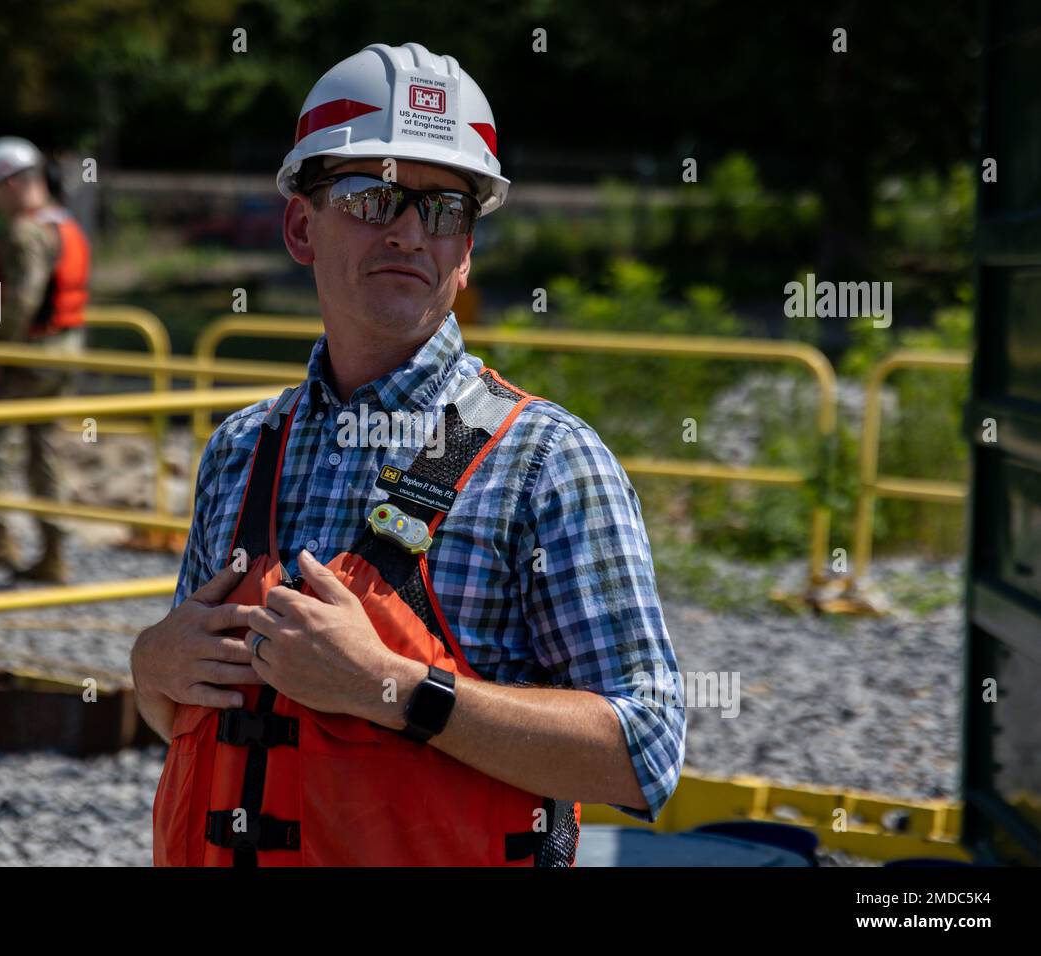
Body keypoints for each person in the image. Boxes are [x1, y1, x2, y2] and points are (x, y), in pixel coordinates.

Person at [131, 43, 685, 866]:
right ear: (299, 226)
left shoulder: (544, 462)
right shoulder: (244, 448)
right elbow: (191, 708)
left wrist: (389, 690)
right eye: (370, 194)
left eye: (444, 208)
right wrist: (150, 667)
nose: (406, 231)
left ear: (466, 254)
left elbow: (645, 756)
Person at [0, 137, 90, 582]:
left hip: (31, 355)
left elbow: (21, 299)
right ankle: (53, 552)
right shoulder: (63, 223)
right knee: (44, 448)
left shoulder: (24, 230)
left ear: (13, 183)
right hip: (66, 351)